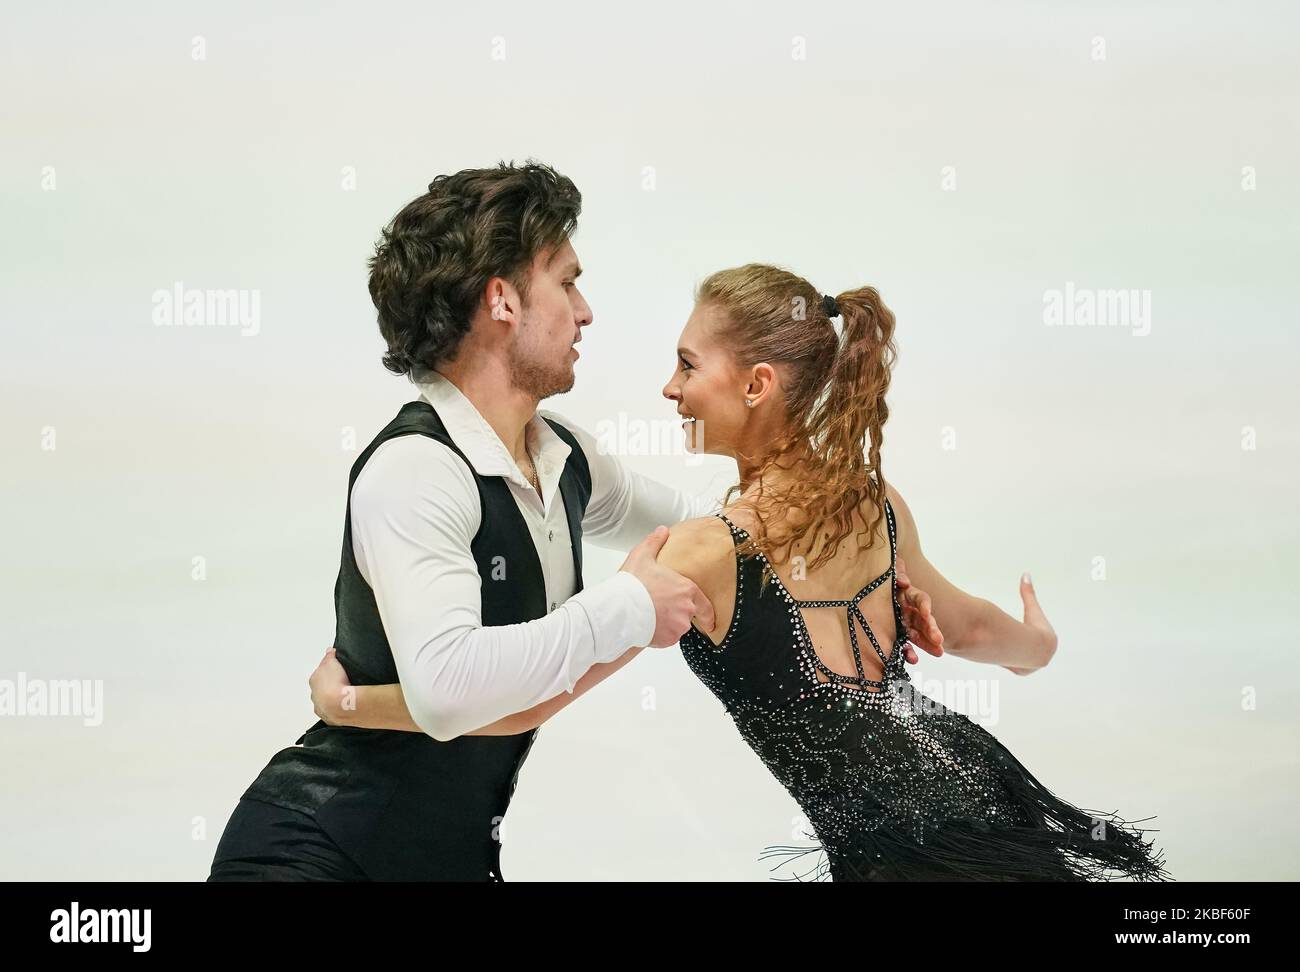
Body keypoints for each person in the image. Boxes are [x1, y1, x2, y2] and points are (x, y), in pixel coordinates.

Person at [313, 262, 1172, 882]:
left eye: (689, 366)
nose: (669, 389)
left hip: (911, 856)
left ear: (757, 383)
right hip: (979, 795)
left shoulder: (705, 556)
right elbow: (984, 631)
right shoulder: (872, 501)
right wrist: (1040, 646)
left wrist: (346, 704)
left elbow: (522, 702)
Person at [208, 163, 942, 882]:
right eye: (565, 281)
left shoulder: (562, 456)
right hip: (315, 853)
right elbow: (448, 688)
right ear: (502, 300)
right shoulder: (416, 470)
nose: (585, 310)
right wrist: (625, 606)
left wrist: (861, 573)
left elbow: (722, 537)